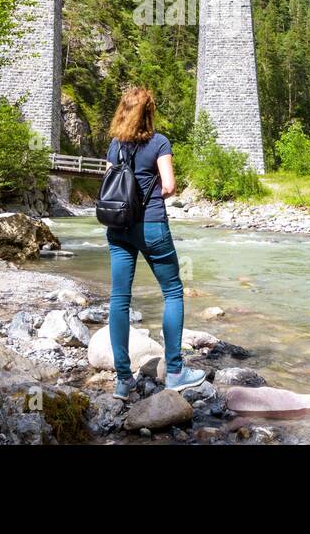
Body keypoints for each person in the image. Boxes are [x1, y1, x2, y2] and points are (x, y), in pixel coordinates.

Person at [104, 86, 206, 399]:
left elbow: (108, 183)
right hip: (150, 226)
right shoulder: (159, 142)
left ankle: (123, 379)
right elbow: (170, 186)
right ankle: (175, 371)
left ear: (123, 111)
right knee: (173, 291)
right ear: (149, 112)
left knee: (120, 298)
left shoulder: (114, 145)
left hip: (118, 227)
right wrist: (151, 191)